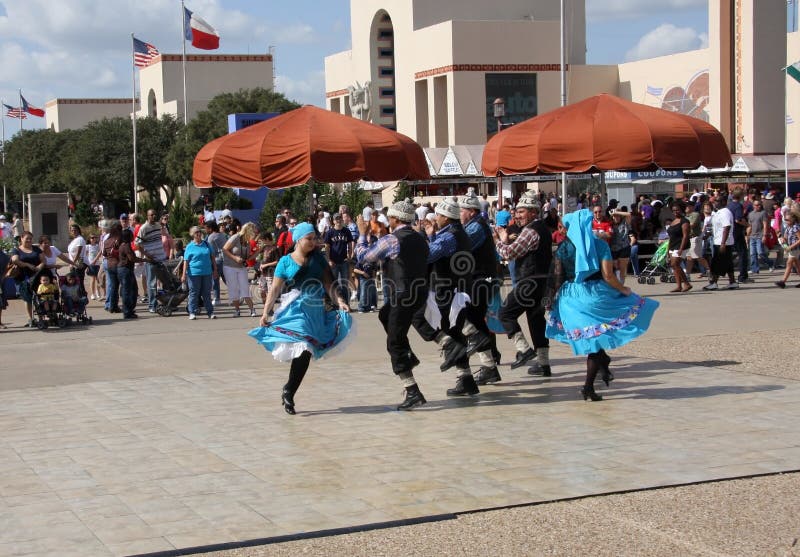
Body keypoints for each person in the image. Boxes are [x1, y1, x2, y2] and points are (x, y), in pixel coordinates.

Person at [546, 209, 659, 401]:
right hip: (596, 295)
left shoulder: (563, 248)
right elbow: (608, 276)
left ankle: (598, 373)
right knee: (595, 340)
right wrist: (624, 290)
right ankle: (590, 384)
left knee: (593, 340)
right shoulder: (599, 244)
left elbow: (556, 276)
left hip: (571, 298)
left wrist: (549, 300)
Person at [248, 222, 351, 415]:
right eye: (308, 239)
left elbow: (329, 284)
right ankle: (289, 392)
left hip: (316, 310)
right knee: (304, 347)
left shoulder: (318, 259)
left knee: (306, 351)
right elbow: (275, 289)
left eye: (315, 238)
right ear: (298, 240)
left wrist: (339, 301)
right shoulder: (285, 262)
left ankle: (289, 388)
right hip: (296, 308)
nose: (313, 242)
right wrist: (265, 312)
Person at [355, 199, 430, 409]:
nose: (388, 219)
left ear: (396, 218)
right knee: (384, 315)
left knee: (394, 343)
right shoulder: (420, 238)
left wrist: (362, 234)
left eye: (390, 217)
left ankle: (412, 390)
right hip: (419, 292)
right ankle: (409, 355)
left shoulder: (392, 239)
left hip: (402, 293)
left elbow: (364, 257)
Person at [493, 191, 553, 375]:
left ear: (533, 212)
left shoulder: (530, 230)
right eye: (516, 212)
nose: (517, 216)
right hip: (541, 282)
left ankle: (524, 349)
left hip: (529, 281)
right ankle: (543, 364)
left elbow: (509, 253)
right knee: (536, 321)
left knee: (505, 313)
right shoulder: (542, 228)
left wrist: (499, 241)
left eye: (521, 212)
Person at [459, 188, 503, 386]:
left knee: (471, 318)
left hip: (481, 279)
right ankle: (489, 366)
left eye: (462, 210)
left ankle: (489, 363)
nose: (460, 214)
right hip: (479, 279)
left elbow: (461, 247)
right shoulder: (474, 225)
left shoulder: (476, 227)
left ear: (472, 211)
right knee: (477, 320)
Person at [182, 226, 219, 320]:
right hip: (193, 274)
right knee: (194, 293)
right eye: (196, 232)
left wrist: (215, 270)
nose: (198, 233)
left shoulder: (206, 244)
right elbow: (186, 261)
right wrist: (183, 274)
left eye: (199, 232)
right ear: (192, 234)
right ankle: (192, 312)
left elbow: (212, 258)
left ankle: (210, 312)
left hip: (207, 272)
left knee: (206, 293)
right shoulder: (189, 246)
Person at [222, 221, 258, 317]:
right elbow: (224, 249)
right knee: (233, 289)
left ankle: (252, 309)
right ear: (248, 231)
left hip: (241, 267)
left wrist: (258, 252)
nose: (255, 234)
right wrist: (235, 258)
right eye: (254, 232)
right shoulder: (236, 237)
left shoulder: (247, 241)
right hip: (230, 266)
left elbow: (247, 257)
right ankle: (237, 310)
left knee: (245, 288)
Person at [703, 196, 739, 291]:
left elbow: (727, 227)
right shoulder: (718, 212)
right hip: (719, 240)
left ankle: (714, 283)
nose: (715, 202)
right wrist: (708, 235)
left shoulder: (724, 212)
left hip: (723, 243)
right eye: (714, 201)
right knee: (728, 263)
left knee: (717, 263)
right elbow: (717, 228)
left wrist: (723, 243)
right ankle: (733, 282)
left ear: (723, 202)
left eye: (717, 201)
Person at [11, 231, 46, 326]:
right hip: (23, 278)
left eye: (30, 239)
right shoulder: (16, 250)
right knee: (28, 299)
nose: (29, 240)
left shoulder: (36, 249)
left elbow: (44, 260)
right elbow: (15, 260)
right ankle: (31, 318)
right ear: (21, 238)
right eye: (27, 238)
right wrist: (27, 264)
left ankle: (41, 318)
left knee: (40, 297)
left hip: (37, 276)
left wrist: (39, 267)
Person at [136, 210, 168, 313]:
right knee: (152, 283)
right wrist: (147, 255)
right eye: (151, 215)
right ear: (147, 216)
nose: (154, 216)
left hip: (161, 258)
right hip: (151, 260)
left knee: (166, 281)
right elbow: (137, 244)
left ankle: (167, 303)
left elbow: (165, 234)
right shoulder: (143, 228)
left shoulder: (158, 226)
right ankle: (152, 305)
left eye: (155, 214)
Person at [324, 213, 354, 303]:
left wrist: (350, 255)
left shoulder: (346, 231)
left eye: (340, 218)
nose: (338, 220)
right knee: (334, 283)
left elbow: (350, 244)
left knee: (345, 283)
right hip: (333, 261)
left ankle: (347, 303)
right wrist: (329, 260)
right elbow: (327, 247)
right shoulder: (330, 232)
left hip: (344, 261)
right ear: (333, 221)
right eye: (336, 219)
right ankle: (336, 303)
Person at [118, 229, 147, 319]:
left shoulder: (123, 245)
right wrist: (144, 259)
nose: (133, 236)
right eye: (131, 235)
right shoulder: (126, 246)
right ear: (128, 236)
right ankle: (127, 312)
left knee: (131, 290)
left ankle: (129, 310)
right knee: (129, 291)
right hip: (125, 270)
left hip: (125, 269)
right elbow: (132, 258)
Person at [666, 202, 691, 293]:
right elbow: (670, 237)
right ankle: (679, 286)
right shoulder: (673, 221)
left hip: (681, 245)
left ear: (682, 210)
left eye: (677, 210)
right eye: (674, 210)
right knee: (674, 266)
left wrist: (681, 249)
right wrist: (668, 250)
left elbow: (685, 236)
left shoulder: (684, 221)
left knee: (675, 264)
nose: (675, 212)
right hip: (672, 246)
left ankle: (687, 284)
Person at [684, 201, 710, 278]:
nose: (686, 208)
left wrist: (682, 227)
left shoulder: (695, 214)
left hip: (695, 238)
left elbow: (692, 225)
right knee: (689, 258)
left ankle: (709, 270)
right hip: (688, 238)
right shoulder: (685, 216)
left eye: (687, 206)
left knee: (697, 256)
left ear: (692, 207)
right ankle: (687, 275)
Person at [774, 212, 800, 288]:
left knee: (789, 263)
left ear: (793, 219)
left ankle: (783, 281)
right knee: (797, 265)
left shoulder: (796, 227)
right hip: (791, 249)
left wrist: (790, 247)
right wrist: (782, 239)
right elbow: (785, 238)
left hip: (795, 249)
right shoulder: (788, 227)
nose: (786, 221)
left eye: (788, 220)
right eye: (785, 219)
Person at [102, 222, 124, 313]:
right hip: (117, 264)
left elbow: (104, 253)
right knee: (120, 286)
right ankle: (115, 306)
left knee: (112, 286)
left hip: (109, 264)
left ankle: (111, 305)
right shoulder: (118, 240)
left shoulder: (106, 241)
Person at [205, 220, 227, 306]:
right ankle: (238, 294)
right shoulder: (222, 235)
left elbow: (210, 251)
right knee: (226, 279)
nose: (205, 230)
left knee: (215, 280)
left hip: (217, 260)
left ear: (210, 228)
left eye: (206, 228)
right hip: (225, 259)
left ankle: (217, 298)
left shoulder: (211, 237)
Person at [746, 199, 771, 275]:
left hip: (760, 236)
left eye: (759, 205)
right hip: (752, 236)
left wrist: (764, 235)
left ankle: (770, 263)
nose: (758, 206)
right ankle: (754, 269)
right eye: (756, 205)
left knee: (760, 253)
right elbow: (750, 226)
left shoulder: (763, 213)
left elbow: (765, 225)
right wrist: (747, 236)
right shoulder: (750, 214)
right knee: (752, 254)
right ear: (753, 206)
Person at [609, 209, 632, 284]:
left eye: (618, 216)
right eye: (614, 216)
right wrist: (613, 214)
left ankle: (621, 285)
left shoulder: (625, 223)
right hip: (613, 248)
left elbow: (629, 214)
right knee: (615, 268)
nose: (616, 217)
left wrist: (616, 212)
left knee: (622, 269)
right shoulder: (610, 224)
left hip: (624, 247)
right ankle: (617, 284)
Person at [255, 232, 279, 305]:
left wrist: (266, 265)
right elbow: (261, 257)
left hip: (270, 273)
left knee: (270, 291)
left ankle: (269, 307)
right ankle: (265, 306)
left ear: (267, 239)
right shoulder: (264, 247)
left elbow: (277, 262)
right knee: (261, 290)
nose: (262, 242)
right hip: (263, 273)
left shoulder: (275, 248)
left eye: (263, 240)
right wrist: (261, 264)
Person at [67, 224, 88, 295]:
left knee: (79, 281)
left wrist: (73, 263)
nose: (73, 232)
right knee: (75, 281)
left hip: (79, 262)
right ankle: (79, 296)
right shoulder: (74, 240)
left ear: (78, 230)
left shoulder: (80, 239)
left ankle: (83, 297)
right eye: (72, 230)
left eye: (75, 230)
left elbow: (78, 252)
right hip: (74, 263)